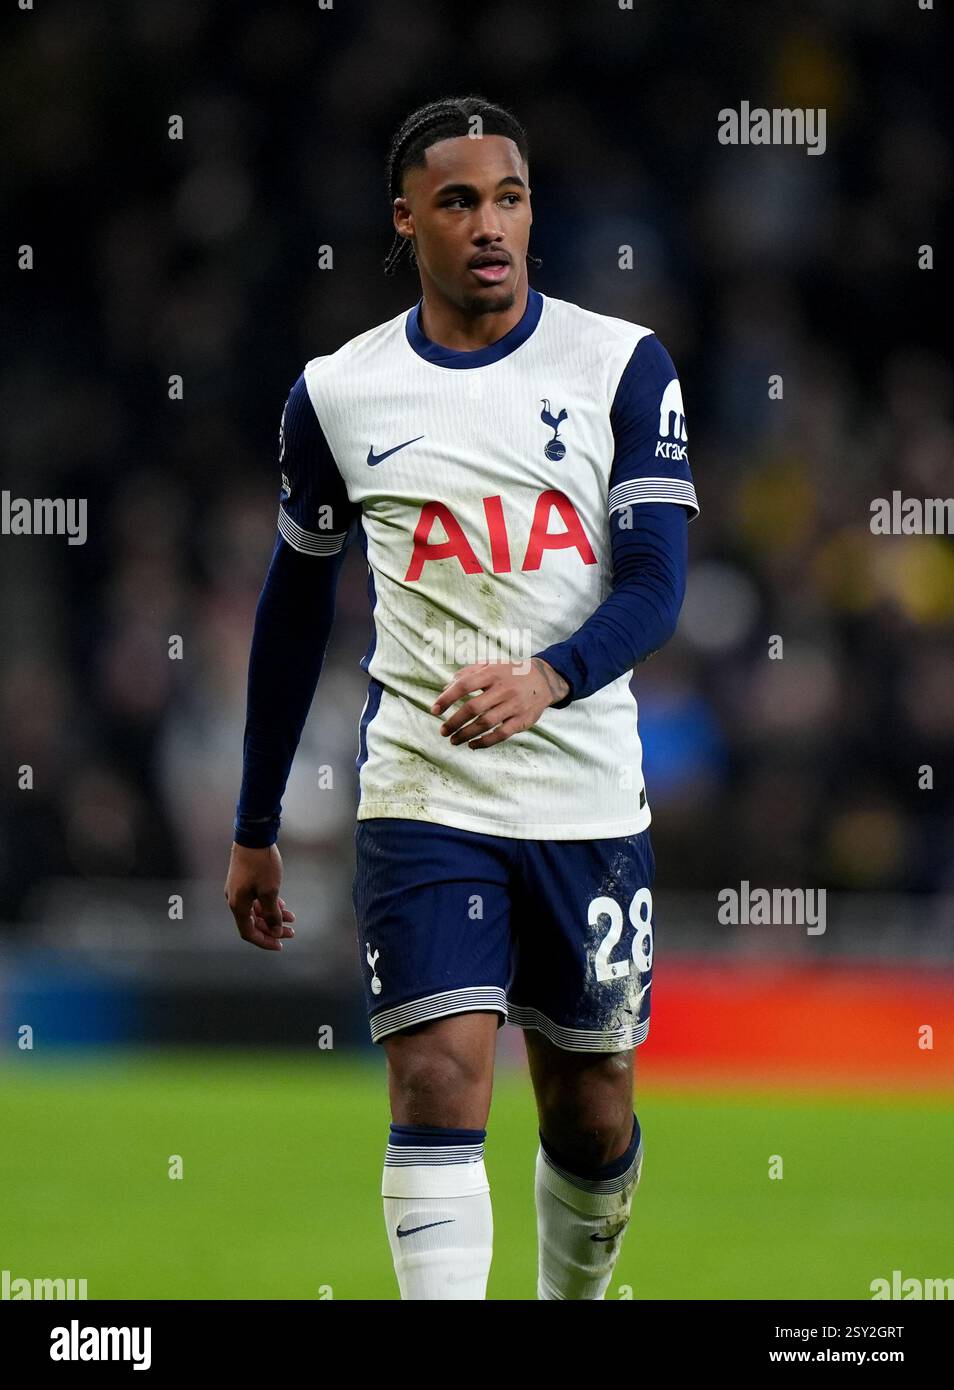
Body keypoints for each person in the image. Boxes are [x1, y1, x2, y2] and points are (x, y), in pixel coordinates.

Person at [224, 94, 698, 1301]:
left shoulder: (621, 365)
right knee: (436, 1078)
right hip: (423, 795)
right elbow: (294, 612)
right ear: (406, 221)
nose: (490, 225)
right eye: (458, 203)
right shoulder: (340, 393)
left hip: (586, 797)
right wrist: (256, 824)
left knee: (591, 1114)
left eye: (510, 198)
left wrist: (548, 676)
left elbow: (655, 583)